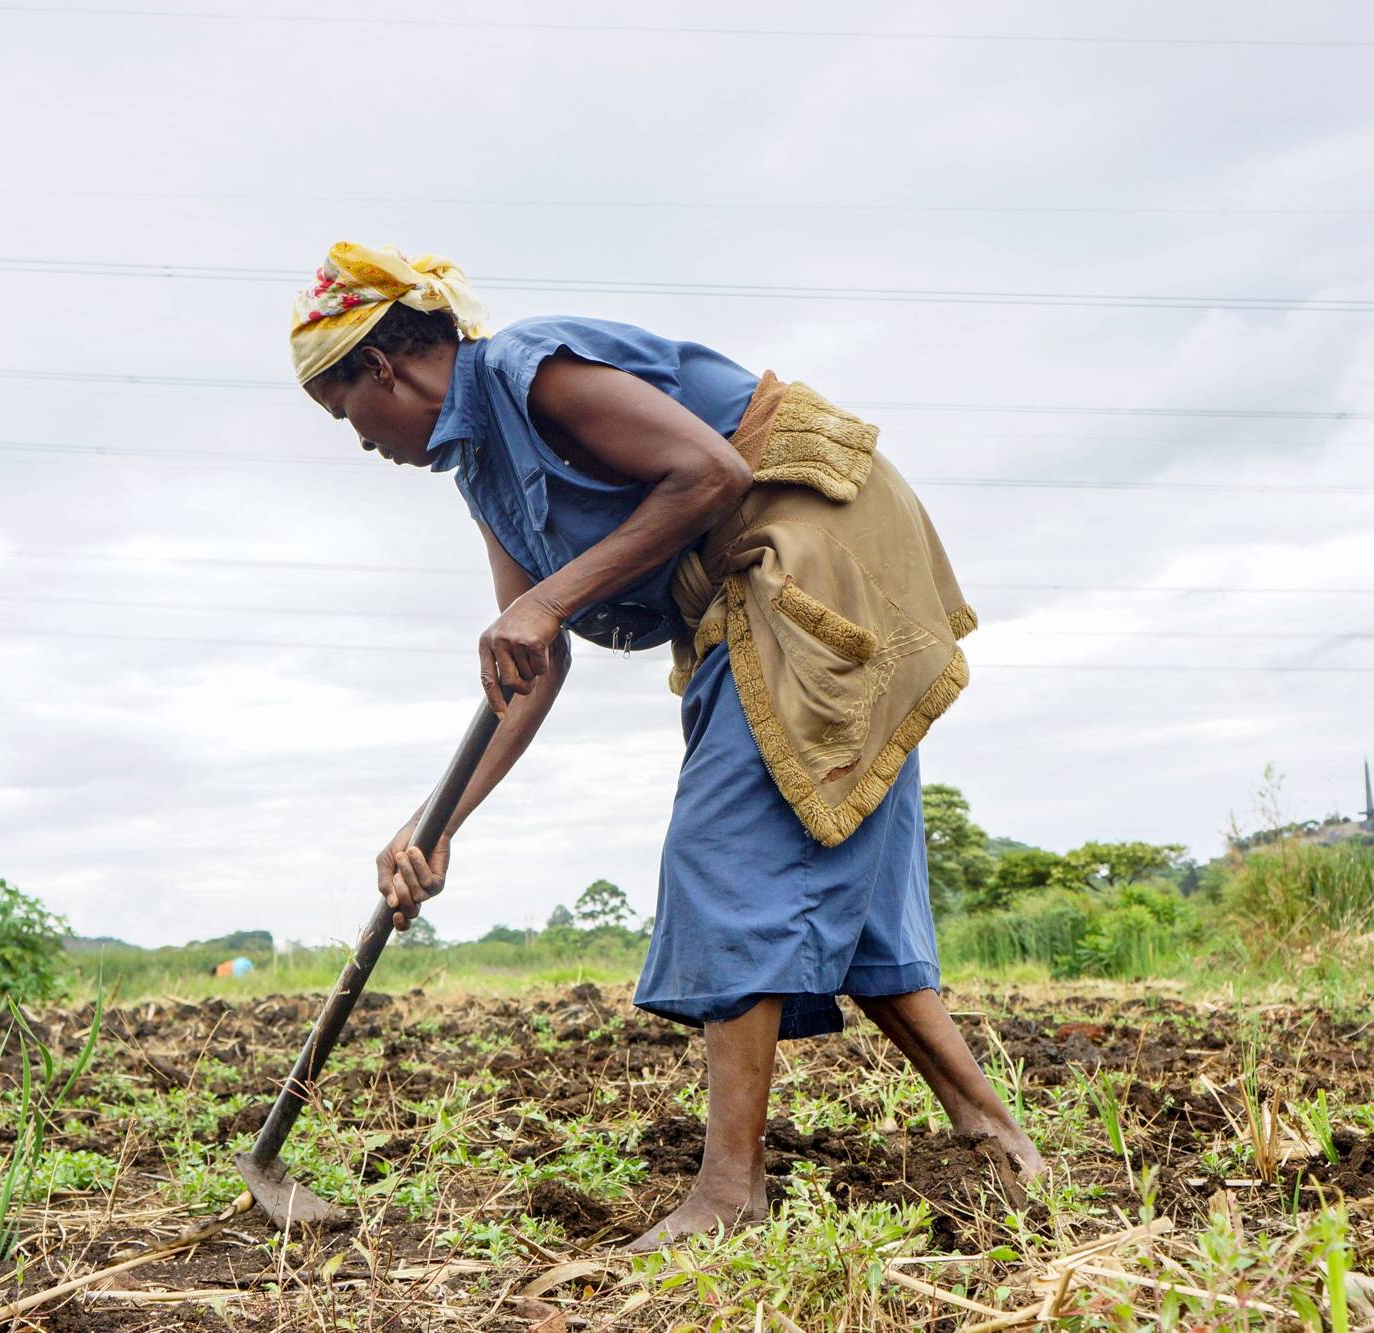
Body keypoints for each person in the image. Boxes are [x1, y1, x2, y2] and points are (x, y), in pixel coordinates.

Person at [290, 243, 1043, 1249]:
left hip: (806, 547)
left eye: (347, 416)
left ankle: (729, 1191)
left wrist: (550, 600)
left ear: (383, 368)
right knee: (837, 867)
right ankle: (997, 1137)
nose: (362, 443)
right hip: (742, 593)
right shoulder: (484, 473)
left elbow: (710, 471)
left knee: (725, 853)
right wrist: (434, 824)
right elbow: (531, 664)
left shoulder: (527, 369)